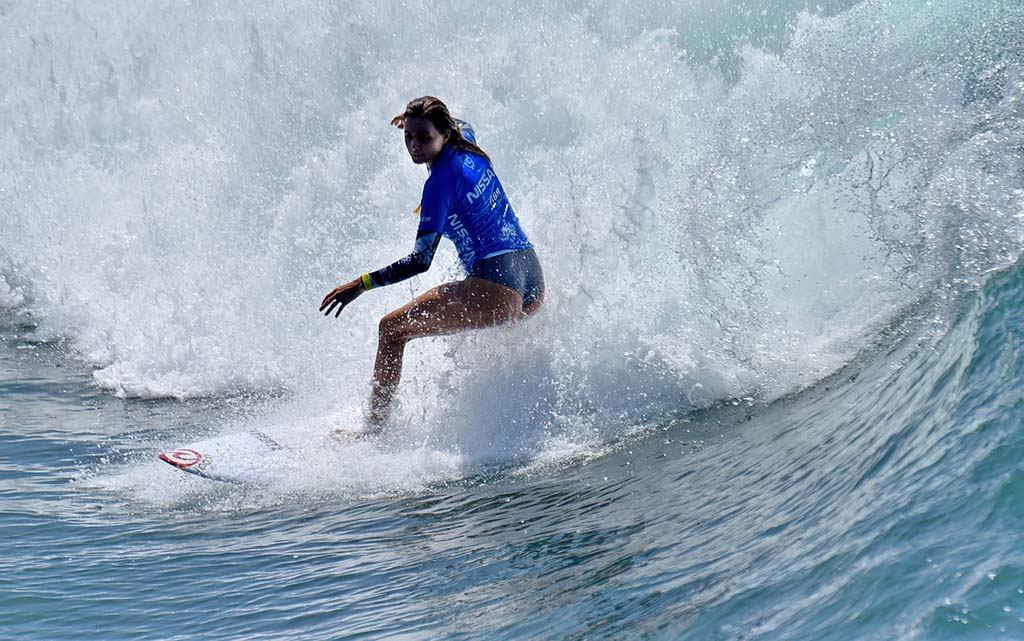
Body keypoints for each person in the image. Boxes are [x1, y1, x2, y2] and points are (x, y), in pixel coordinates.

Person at [319, 96, 544, 433]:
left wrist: (360, 284)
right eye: (409, 136)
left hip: (499, 286)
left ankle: (373, 432)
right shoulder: (465, 141)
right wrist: (414, 119)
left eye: (424, 137)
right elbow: (460, 121)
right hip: (531, 279)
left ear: (443, 134)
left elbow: (421, 261)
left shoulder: (438, 184)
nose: (414, 145)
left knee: (391, 330)